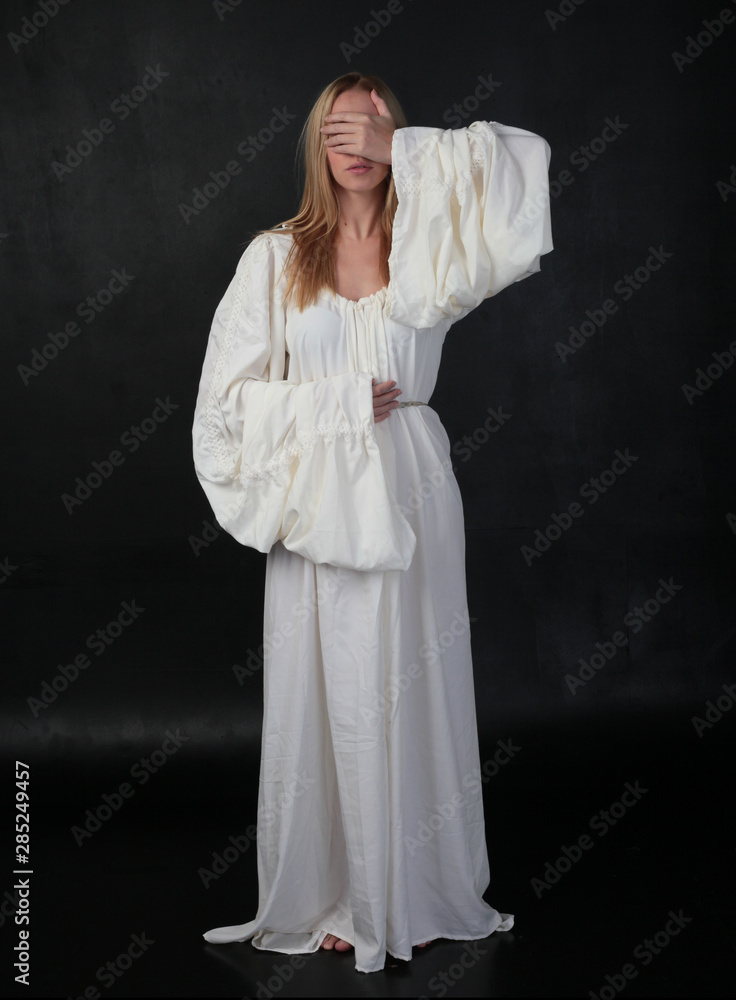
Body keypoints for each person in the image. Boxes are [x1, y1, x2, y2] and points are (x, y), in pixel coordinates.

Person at [192, 71, 552, 975]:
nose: (357, 145)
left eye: (374, 125)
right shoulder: (275, 257)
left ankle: (417, 889)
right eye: (337, 131)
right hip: (321, 498)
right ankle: (338, 895)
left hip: (412, 486)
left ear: (404, 136)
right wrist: (339, 403)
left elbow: (521, 170)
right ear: (315, 149)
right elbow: (223, 407)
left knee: (412, 684)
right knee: (330, 692)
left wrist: (411, 153)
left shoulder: (433, 247)